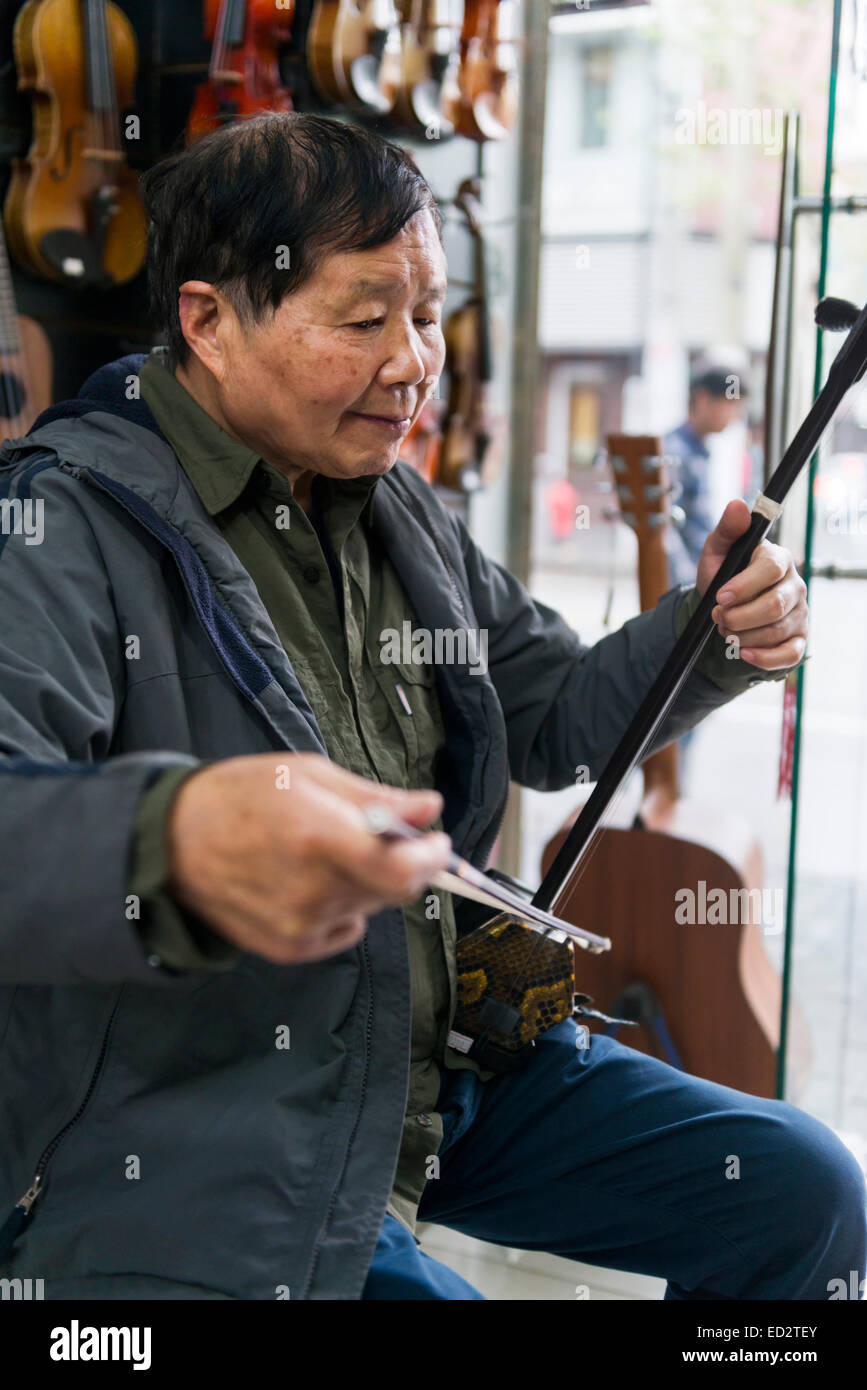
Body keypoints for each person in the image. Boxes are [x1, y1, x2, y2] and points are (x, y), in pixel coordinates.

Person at [0, 113, 861, 1302]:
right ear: (207, 320)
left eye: (425, 315)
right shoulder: (61, 530)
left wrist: (705, 635)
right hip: (214, 1109)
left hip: (438, 1066)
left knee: (808, 1194)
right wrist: (177, 840)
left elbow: (556, 712)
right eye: (364, 319)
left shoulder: (400, 513)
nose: (413, 360)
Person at [664, 361, 749, 589]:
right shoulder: (674, 452)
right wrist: (690, 585)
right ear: (703, 400)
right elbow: (664, 529)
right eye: (731, 405)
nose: (735, 416)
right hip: (688, 584)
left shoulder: (699, 450)